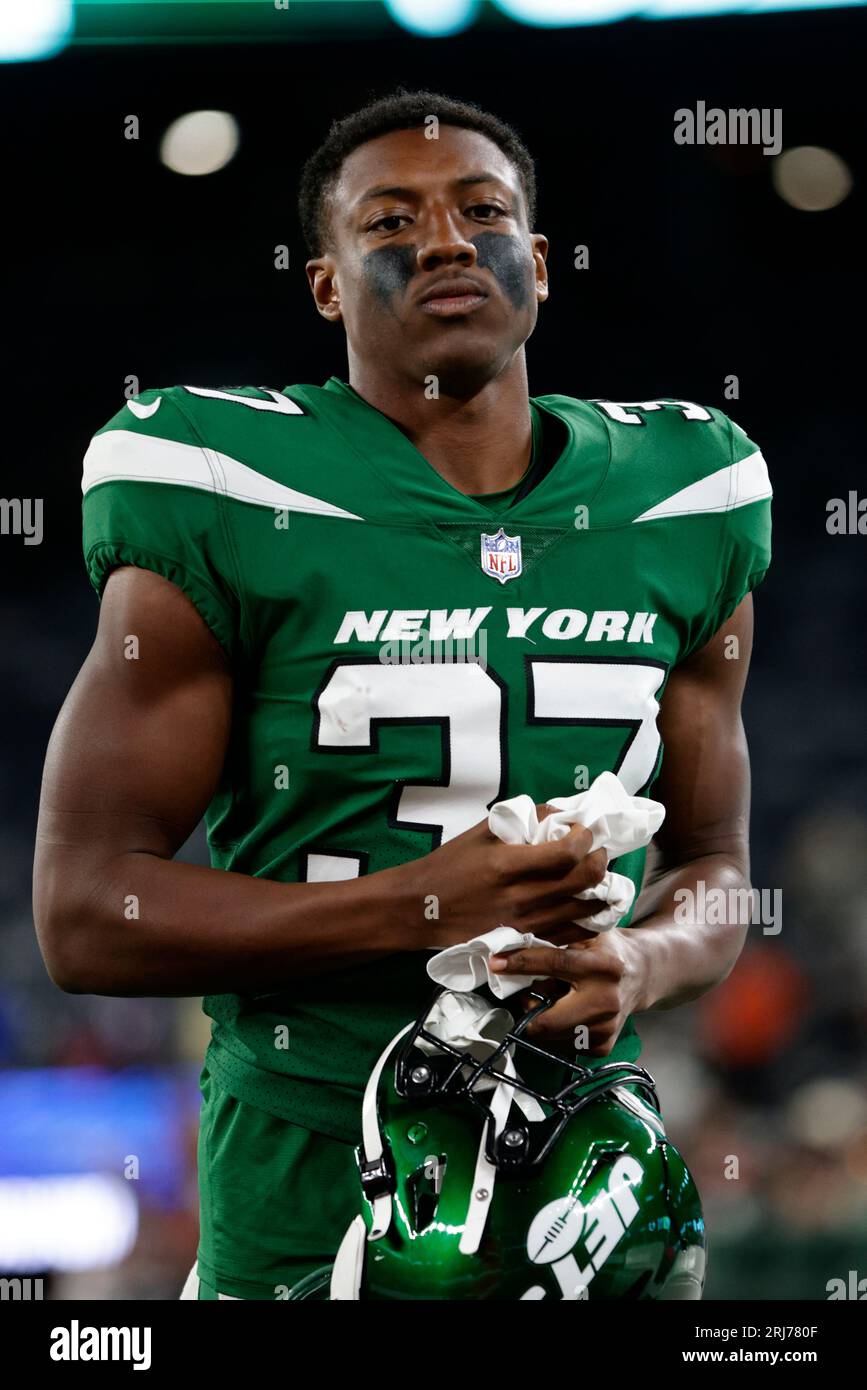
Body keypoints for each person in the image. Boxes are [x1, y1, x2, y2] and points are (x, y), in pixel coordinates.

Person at [33, 88, 771, 1300]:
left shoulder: (689, 493)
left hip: (577, 1147)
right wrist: (419, 906)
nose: (443, 238)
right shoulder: (222, 480)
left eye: (483, 210)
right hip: (307, 1156)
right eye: (389, 221)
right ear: (325, 284)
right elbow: (82, 910)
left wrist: (641, 963)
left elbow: (719, 864)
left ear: (535, 262)